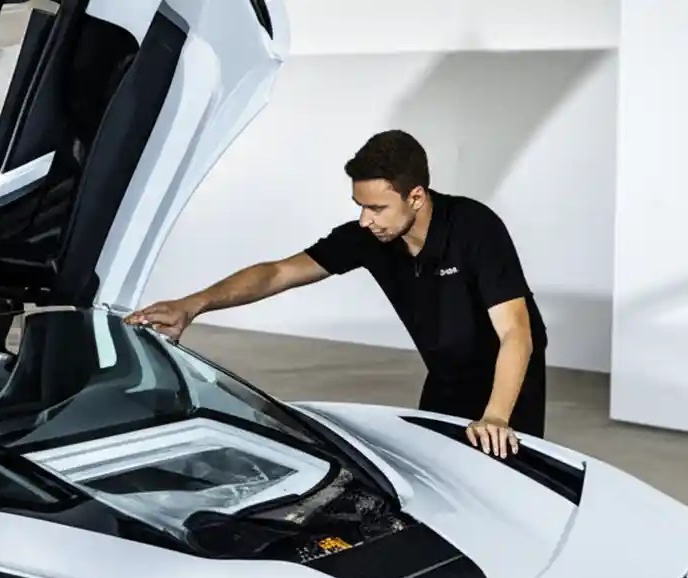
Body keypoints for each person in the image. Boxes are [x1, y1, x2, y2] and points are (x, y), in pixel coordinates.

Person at [126, 130, 548, 458]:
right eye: (359, 205)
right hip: (445, 377)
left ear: (415, 197)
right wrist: (193, 305)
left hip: (508, 379)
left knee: (507, 478)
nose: (365, 220)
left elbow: (516, 334)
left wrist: (495, 416)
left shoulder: (476, 227)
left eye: (377, 208)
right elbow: (277, 273)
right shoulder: (369, 237)